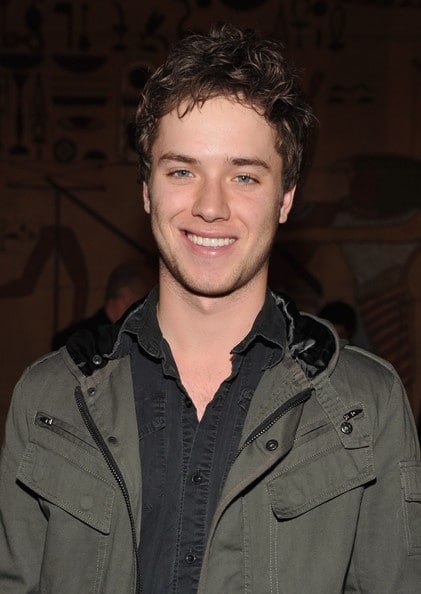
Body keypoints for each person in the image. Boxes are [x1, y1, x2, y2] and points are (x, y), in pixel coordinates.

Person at [1, 24, 420, 594]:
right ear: (147, 189)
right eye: (182, 171)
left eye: (244, 175)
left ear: (286, 198)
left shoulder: (367, 402)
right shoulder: (48, 398)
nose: (210, 206)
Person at [51, 257, 158, 350]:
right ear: (127, 296)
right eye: (145, 301)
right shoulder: (74, 340)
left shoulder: (72, 337)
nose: (150, 309)